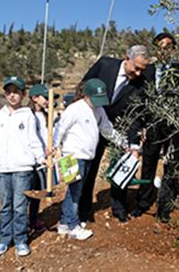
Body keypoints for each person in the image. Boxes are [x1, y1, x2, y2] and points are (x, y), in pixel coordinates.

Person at [131, 33, 179, 222]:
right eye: (159, 47)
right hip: (153, 125)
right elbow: (141, 99)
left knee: (172, 166)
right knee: (148, 164)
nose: (163, 50)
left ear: (173, 48)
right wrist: (141, 126)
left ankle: (165, 207)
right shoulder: (148, 70)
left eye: (167, 46)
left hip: (175, 125)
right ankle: (143, 202)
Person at [78, 45, 151, 223]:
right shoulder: (104, 65)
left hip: (118, 130)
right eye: (137, 68)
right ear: (127, 58)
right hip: (93, 126)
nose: (139, 73)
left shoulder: (139, 84)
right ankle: (83, 210)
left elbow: (134, 115)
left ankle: (119, 207)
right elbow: (83, 87)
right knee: (89, 169)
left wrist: (133, 144)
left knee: (121, 167)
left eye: (143, 70)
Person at [54, 78, 130, 240]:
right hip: (72, 157)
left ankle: (65, 222)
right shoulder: (74, 109)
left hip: (88, 156)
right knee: (75, 191)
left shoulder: (99, 110)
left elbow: (107, 129)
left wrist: (124, 144)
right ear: (86, 95)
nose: (97, 103)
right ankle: (73, 226)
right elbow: (59, 129)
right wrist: (54, 147)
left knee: (76, 190)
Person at [0, 76, 46, 257]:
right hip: (4, 169)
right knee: (5, 206)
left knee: (20, 207)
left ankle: (21, 240)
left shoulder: (28, 115)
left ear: (23, 94)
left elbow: (33, 139)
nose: (12, 95)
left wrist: (40, 158)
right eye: (9, 92)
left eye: (16, 92)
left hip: (23, 168)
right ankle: (4, 239)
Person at [27, 84, 59, 233]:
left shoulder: (47, 116)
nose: (48, 101)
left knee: (38, 193)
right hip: (31, 161)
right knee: (28, 193)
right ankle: (25, 222)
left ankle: (33, 219)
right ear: (34, 98)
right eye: (46, 97)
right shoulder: (28, 115)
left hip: (44, 161)